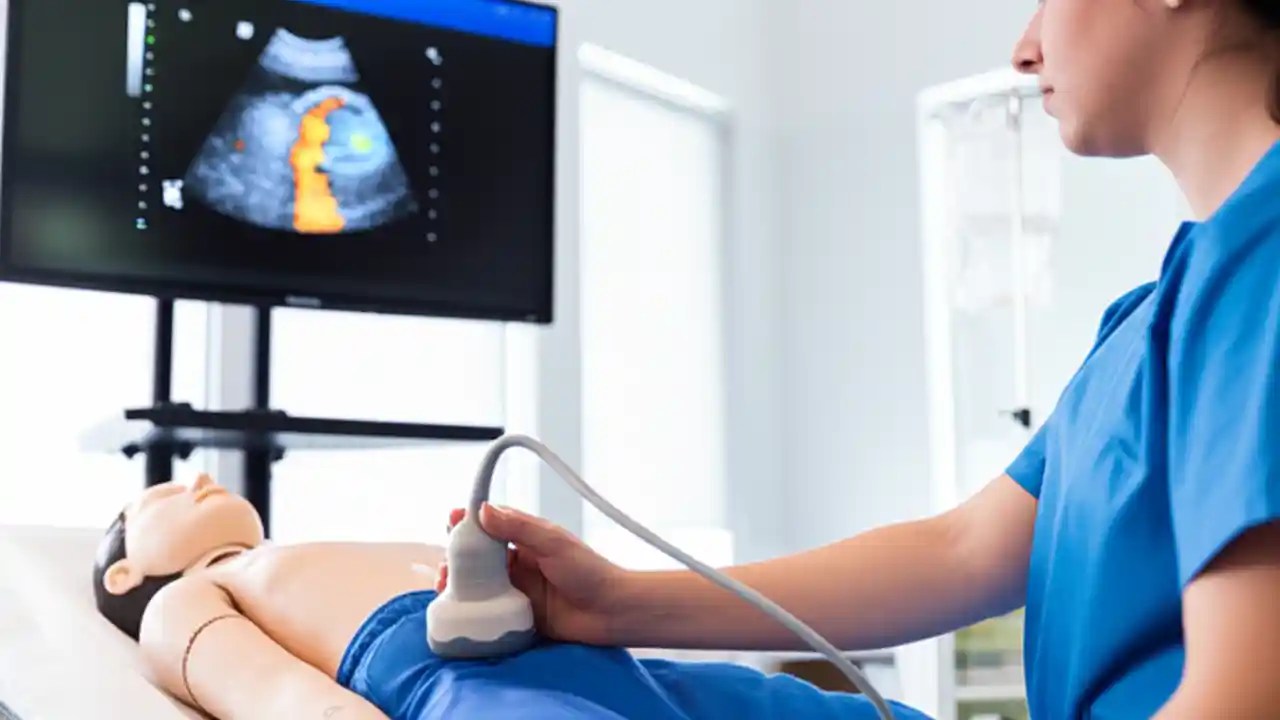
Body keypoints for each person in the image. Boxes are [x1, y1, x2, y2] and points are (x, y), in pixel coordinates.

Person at [439, 1, 1280, 718]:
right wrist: (617, 602)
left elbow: (1241, 699)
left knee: (383, 634)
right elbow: (961, 550)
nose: (1025, 49)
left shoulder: (1265, 257)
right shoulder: (1154, 315)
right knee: (349, 593)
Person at [94, 474, 927, 720]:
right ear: (127, 574)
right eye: (161, 497)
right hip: (455, 689)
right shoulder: (192, 595)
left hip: (598, 655)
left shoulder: (294, 552)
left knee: (780, 707)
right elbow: (273, 693)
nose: (197, 478)